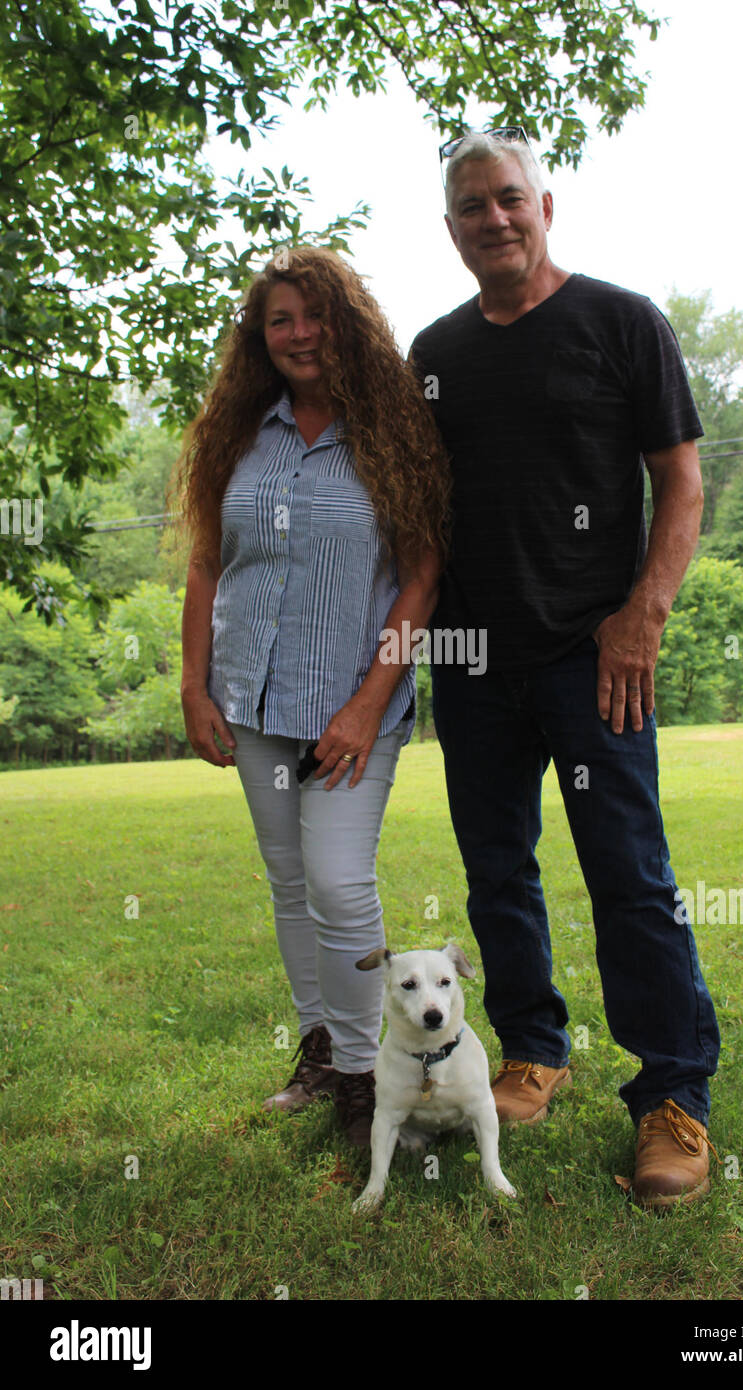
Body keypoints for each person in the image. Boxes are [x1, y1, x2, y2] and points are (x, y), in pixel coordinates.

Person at [409, 130, 721, 1206]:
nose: (491, 220)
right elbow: (424, 517)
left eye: (508, 200)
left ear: (546, 206)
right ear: (448, 229)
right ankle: (533, 1049)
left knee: (628, 876)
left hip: (596, 659)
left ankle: (672, 1098)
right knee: (497, 873)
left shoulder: (619, 322)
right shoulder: (435, 353)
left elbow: (678, 482)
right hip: (473, 663)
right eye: (469, 208)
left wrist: (643, 612)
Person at [174, 246, 449, 1146]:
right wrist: (194, 685)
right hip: (251, 700)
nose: (299, 335)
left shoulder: (392, 431)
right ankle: (322, 1053)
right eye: (279, 321)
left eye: (314, 316)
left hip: (350, 712)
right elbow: (209, 563)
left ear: (347, 323)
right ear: (262, 338)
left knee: (338, 881)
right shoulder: (240, 433)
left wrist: (371, 703)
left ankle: (371, 1077)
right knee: (291, 885)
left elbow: (422, 579)